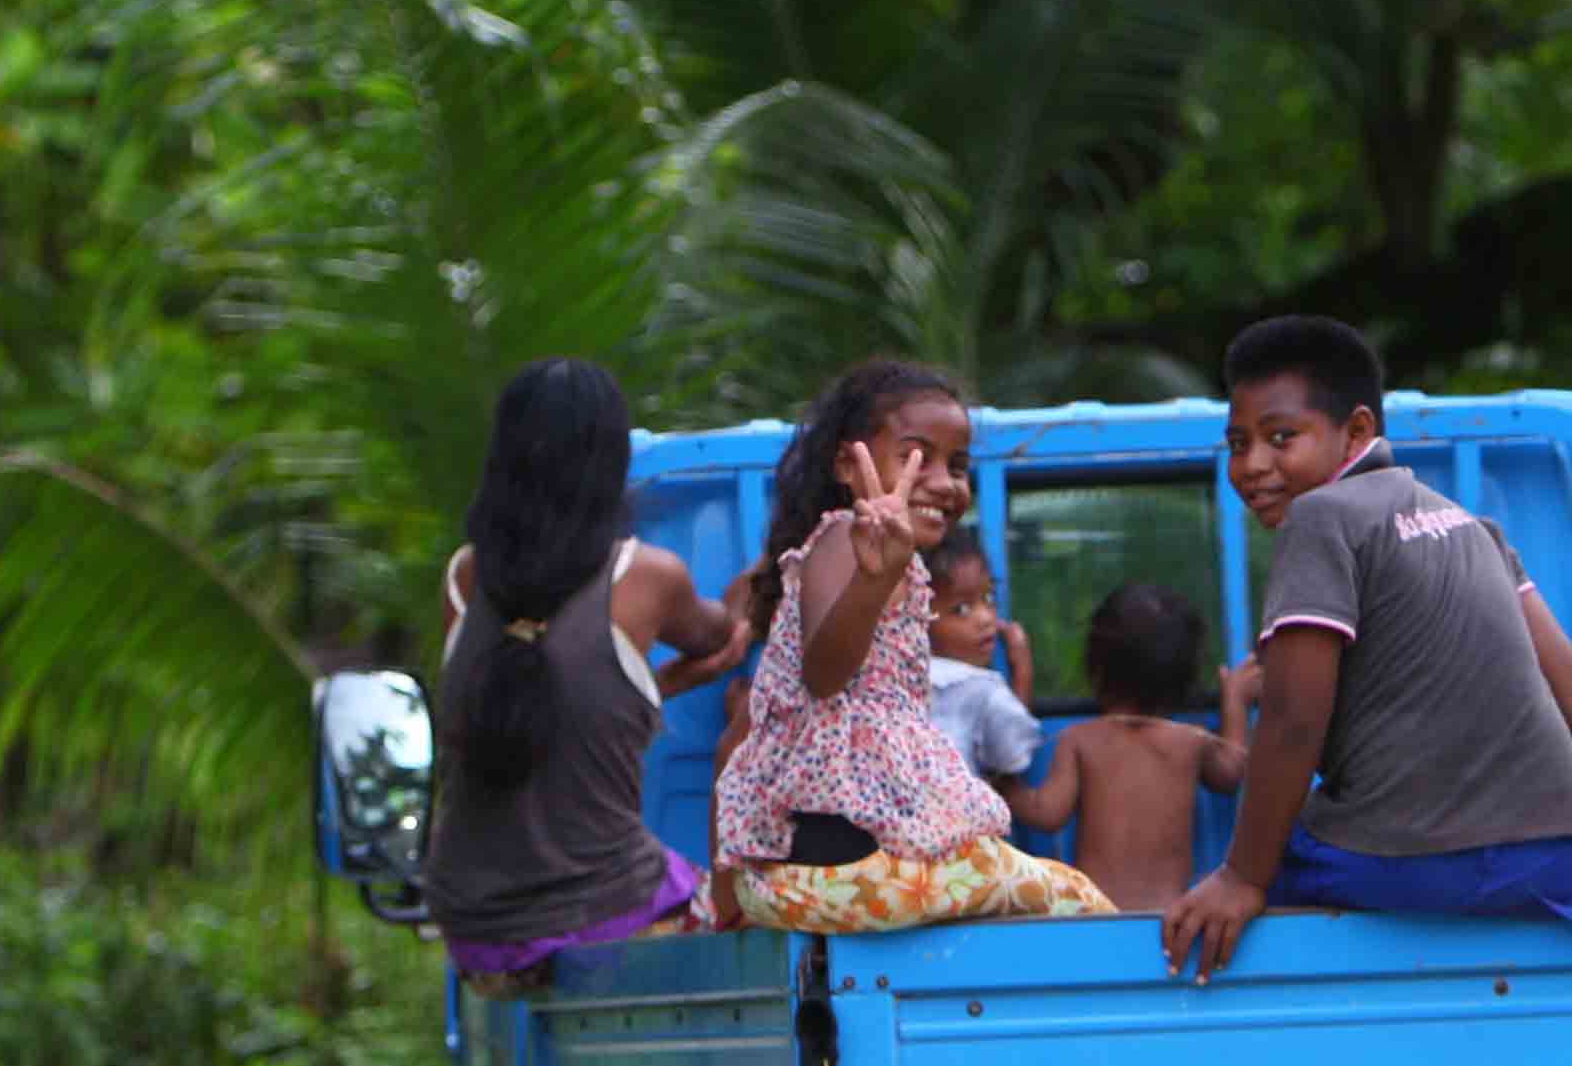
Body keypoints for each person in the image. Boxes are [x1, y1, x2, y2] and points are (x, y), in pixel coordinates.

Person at [1163, 315, 1572, 982]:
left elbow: (1292, 720)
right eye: (1237, 443)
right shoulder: (1472, 526)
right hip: (1563, 859)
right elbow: (1568, 678)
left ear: (1358, 432)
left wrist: (1241, 877)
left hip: (1414, 864)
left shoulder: (1320, 519)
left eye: (1280, 437)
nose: (1252, 465)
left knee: (1246, 885)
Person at [712, 357, 1115, 931]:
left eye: (957, 464)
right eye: (914, 457)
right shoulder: (846, 542)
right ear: (849, 467)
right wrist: (874, 581)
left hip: (841, 866)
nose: (944, 482)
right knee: (1079, 902)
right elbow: (823, 674)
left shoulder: (875, 559)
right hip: (849, 865)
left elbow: (742, 738)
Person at [422, 358, 737, 989]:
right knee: (751, 923)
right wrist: (752, 601)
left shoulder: (465, 579)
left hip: (475, 937)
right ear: (608, 463)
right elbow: (720, 637)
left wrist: (656, 689)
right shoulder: (646, 577)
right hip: (608, 919)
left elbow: (540, 691)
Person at [1000, 581, 1246, 915]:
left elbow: (1047, 812)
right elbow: (1232, 770)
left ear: (1096, 665)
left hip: (1095, 912)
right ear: (1186, 674)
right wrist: (1235, 699)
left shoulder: (1081, 739)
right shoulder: (1189, 741)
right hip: (1168, 914)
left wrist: (1001, 781)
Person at [921, 531, 1046, 783]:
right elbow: (1013, 755)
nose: (986, 618)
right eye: (962, 609)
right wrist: (1022, 670)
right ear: (918, 618)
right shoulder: (980, 687)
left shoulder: (892, 678)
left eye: (988, 598)